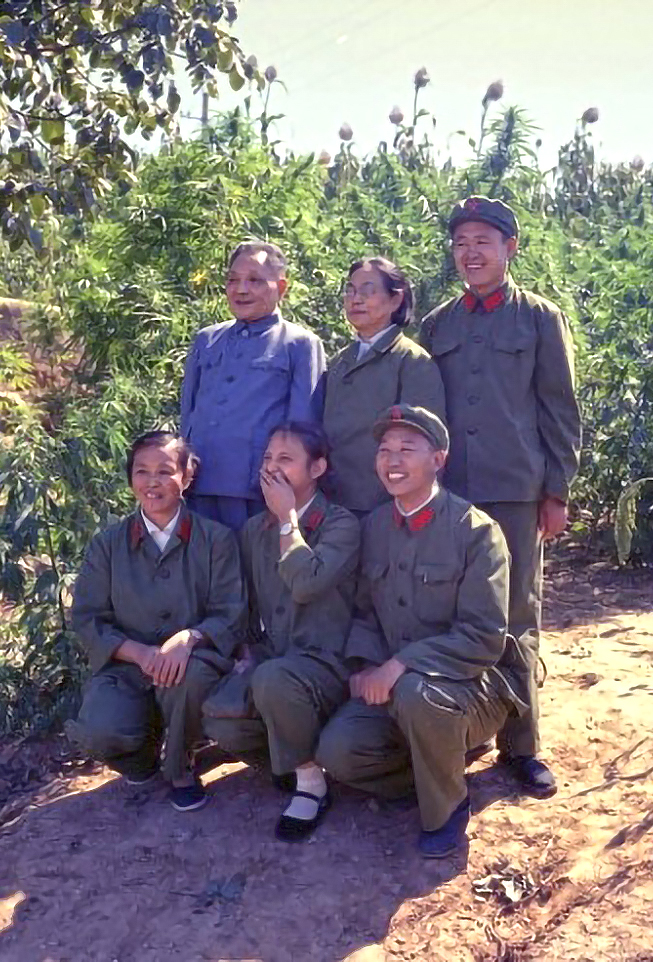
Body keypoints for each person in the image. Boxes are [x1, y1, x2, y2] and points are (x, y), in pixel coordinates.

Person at [418, 196, 582, 799]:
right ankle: (470, 726)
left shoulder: (539, 319)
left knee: (516, 615)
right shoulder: (437, 326)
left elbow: (559, 410)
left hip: (515, 493)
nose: (471, 252)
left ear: (510, 249)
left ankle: (522, 746)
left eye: (484, 240)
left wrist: (557, 490)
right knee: (456, 614)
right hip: (452, 496)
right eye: (461, 242)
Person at [316, 405, 521, 858]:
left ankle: (447, 809)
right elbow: (365, 613)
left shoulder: (476, 532)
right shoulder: (374, 527)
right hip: (396, 690)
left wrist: (400, 664)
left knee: (416, 693)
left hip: (471, 690)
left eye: (407, 449)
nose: (393, 460)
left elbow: (484, 636)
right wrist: (367, 667)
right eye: (385, 450)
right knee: (338, 751)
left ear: (439, 460)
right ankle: (435, 765)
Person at [68, 431, 246, 812]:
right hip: (128, 665)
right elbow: (86, 616)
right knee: (99, 731)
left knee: (191, 677)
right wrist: (138, 653)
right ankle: (142, 758)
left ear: (187, 476)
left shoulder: (216, 540)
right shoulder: (108, 543)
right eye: (142, 471)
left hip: (193, 662)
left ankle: (181, 766)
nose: (153, 482)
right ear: (130, 477)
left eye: (165, 471)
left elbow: (231, 611)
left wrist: (190, 638)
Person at [202, 422, 360, 841]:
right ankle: (290, 761)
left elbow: (306, 583)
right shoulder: (255, 530)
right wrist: (245, 653)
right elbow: (248, 606)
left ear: (319, 467)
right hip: (277, 659)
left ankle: (311, 782)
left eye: (286, 460)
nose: (272, 468)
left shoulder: (341, 525)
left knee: (272, 679)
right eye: (268, 458)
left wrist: (289, 518)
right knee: (222, 718)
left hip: (329, 664)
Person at [180, 239, 326, 532]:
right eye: (233, 280)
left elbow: (302, 428)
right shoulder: (207, 339)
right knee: (201, 574)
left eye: (255, 281)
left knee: (252, 575)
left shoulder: (299, 344)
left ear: (281, 288)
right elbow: (188, 413)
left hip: (257, 493)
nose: (241, 289)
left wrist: (285, 490)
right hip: (199, 486)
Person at [322, 257, 445, 516]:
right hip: (333, 506)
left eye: (368, 290)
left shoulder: (412, 361)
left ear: (395, 300)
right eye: (350, 290)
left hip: (383, 508)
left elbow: (423, 447)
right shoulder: (338, 362)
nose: (356, 299)